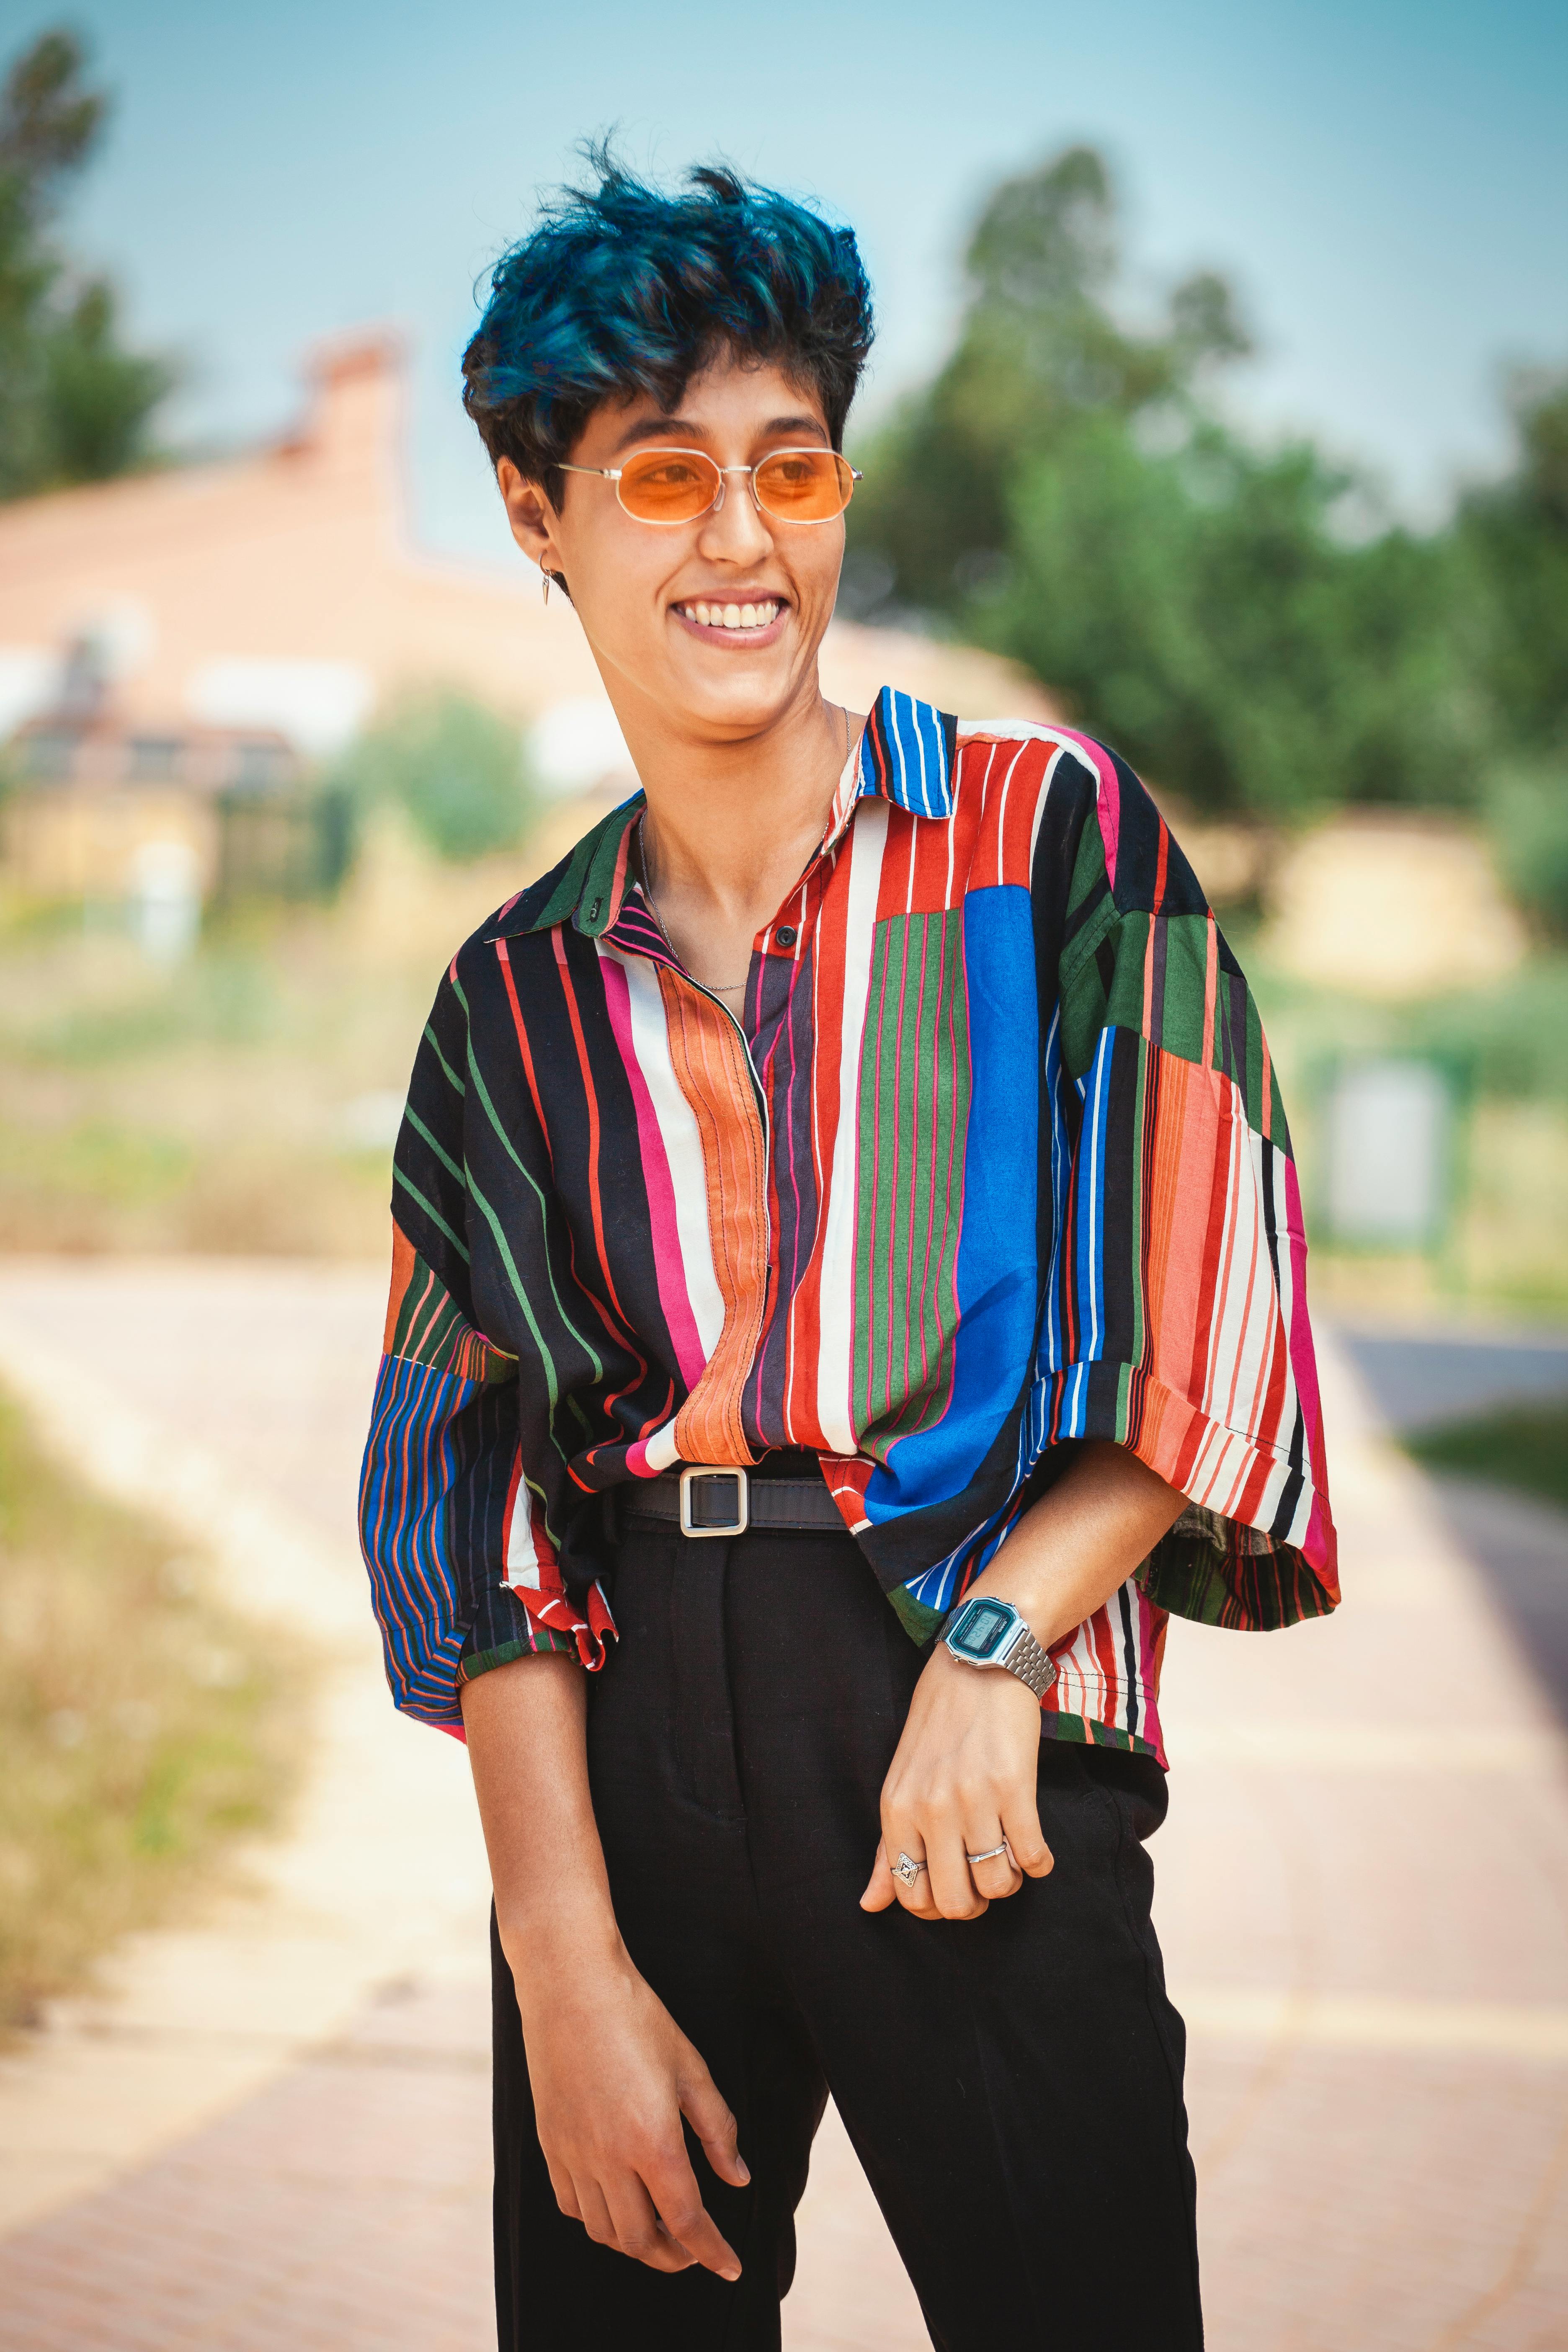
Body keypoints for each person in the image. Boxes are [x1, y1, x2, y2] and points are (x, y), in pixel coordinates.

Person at [358, 153, 1338, 2352]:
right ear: (540, 513)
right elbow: (473, 1494)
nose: (737, 537)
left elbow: (1203, 1303)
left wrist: (994, 1651)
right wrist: (562, 1967)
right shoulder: (504, 1001)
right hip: (628, 1755)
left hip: (963, 1733)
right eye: (665, 475)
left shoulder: (1051, 840)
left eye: (791, 467)